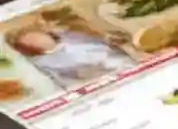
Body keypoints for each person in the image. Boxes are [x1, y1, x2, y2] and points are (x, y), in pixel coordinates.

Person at [6, 23, 136, 88]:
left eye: (36, 35)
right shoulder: (48, 62)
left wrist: (107, 40)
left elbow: (95, 40)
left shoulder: (66, 37)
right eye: (31, 41)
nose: (39, 40)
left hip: (129, 60)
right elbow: (83, 74)